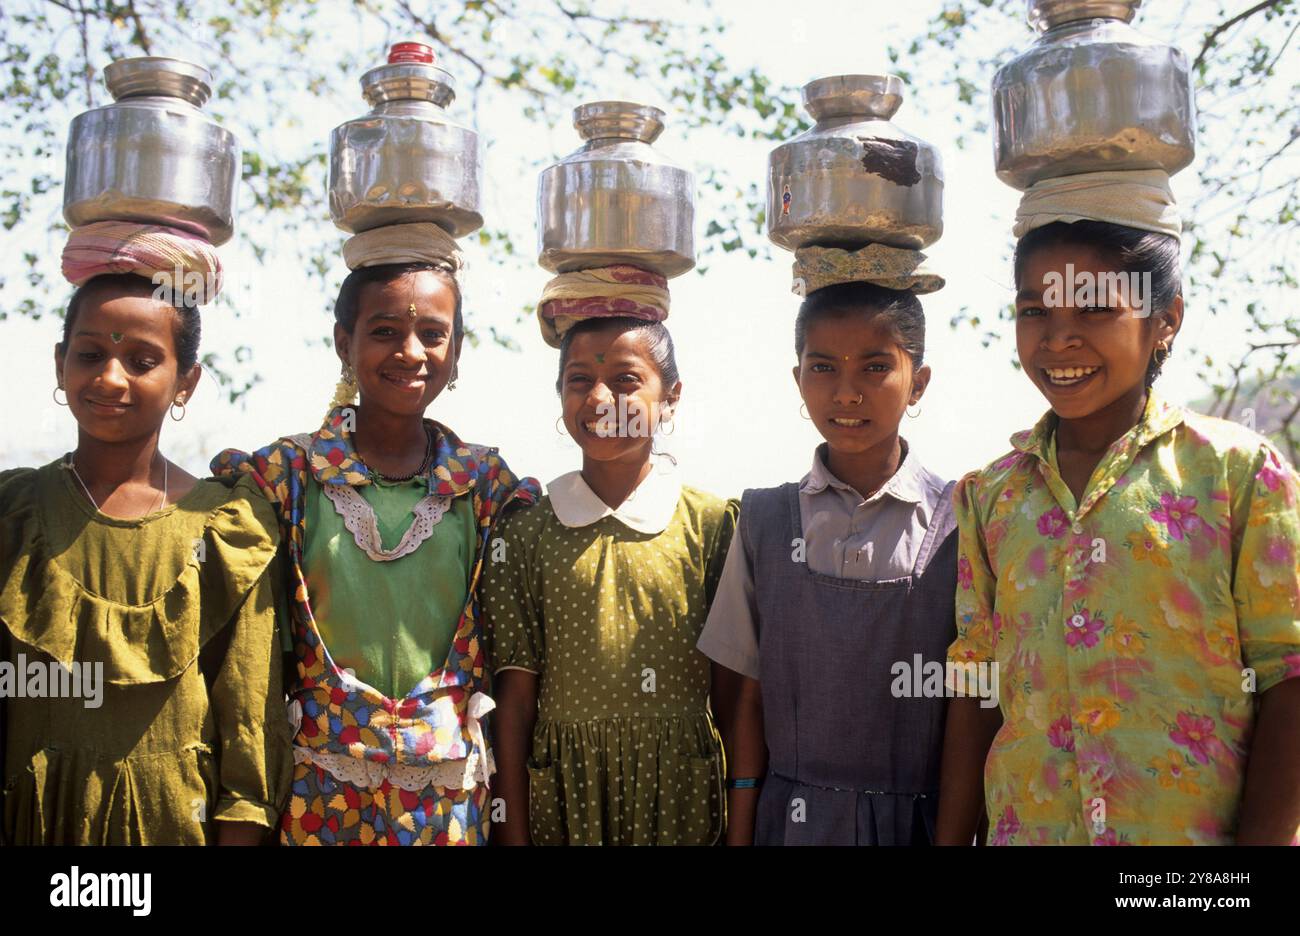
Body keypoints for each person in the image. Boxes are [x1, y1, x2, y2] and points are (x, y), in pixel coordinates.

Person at [935, 201, 1300, 845]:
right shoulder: (990, 496)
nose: (1057, 338)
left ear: (1167, 319)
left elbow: (1289, 676)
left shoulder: (1236, 475)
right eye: (1034, 311)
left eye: (1095, 309)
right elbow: (975, 688)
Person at [213, 225, 539, 845]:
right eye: (385, 331)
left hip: (447, 806)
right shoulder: (287, 477)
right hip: (320, 796)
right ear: (345, 342)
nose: (410, 352)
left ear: (458, 348)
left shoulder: (487, 486)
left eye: (432, 334)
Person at [2, 232, 291, 844]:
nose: (110, 378)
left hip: (172, 825)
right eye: (89, 355)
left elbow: (249, 723)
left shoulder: (228, 527)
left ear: (185, 381)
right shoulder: (13, 513)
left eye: (141, 360)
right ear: (60, 363)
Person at [699, 279, 958, 845]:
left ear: (919, 383)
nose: (846, 393)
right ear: (797, 379)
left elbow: (976, 705)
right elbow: (743, 694)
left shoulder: (964, 521)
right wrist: (743, 826)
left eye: (874, 368)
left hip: (916, 825)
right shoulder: (764, 520)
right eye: (823, 368)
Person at [484, 316, 737, 845]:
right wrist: (510, 829)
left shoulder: (712, 524)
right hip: (563, 799)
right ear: (559, 395)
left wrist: (743, 816)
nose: (600, 397)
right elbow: (514, 698)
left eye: (626, 380)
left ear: (671, 396)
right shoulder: (525, 529)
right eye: (579, 380)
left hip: (681, 796)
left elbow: (734, 697)